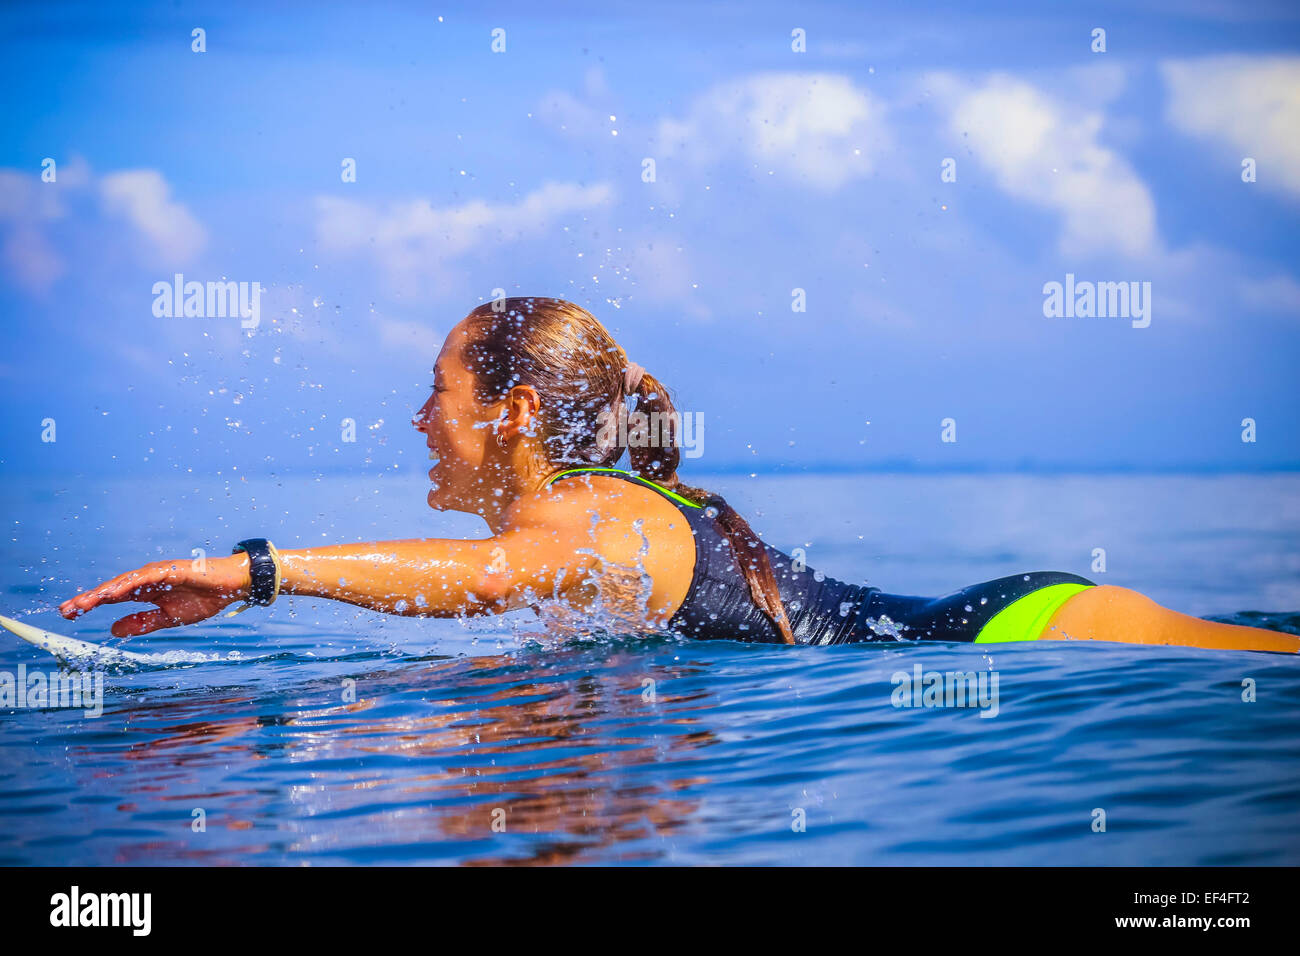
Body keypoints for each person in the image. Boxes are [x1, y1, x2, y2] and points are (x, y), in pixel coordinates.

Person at [60, 298, 1300, 654]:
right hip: (1026, 621)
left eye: (435, 392)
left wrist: (250, 570)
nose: (413, 418)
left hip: (1035, 637)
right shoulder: (623, 501)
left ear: (515, 411)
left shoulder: (590, 522)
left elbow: (478, 577)